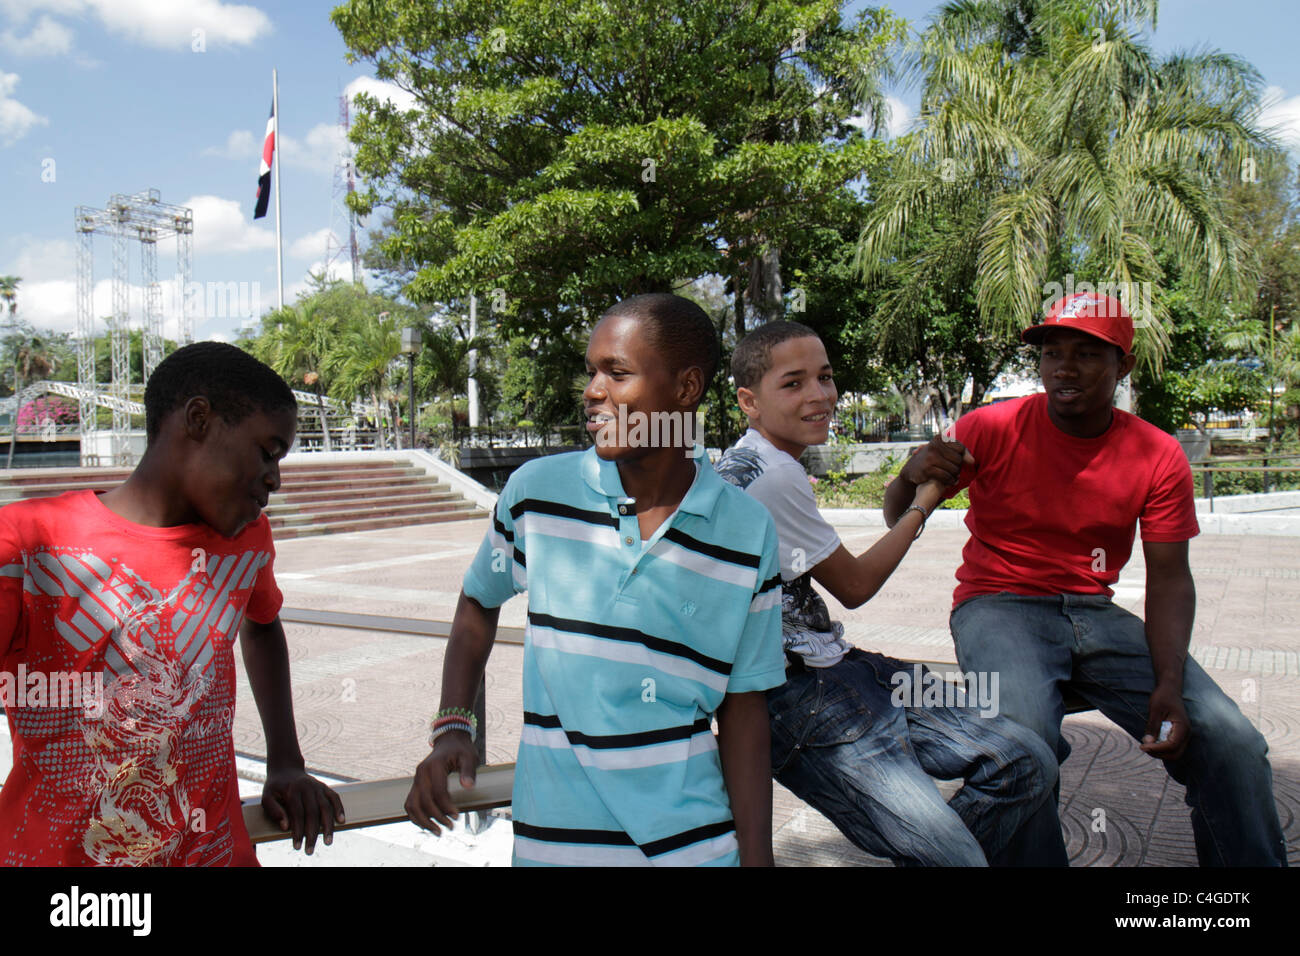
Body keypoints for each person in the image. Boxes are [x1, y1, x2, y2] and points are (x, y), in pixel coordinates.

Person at [885, 292, 1287, 866]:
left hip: (1093, 612)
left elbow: (1171, 578)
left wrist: (1168, 681)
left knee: (1231, 739)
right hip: (998, 603)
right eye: (1052, 353)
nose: (1064, 368)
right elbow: (899, 513)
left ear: (1122, 366)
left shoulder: (1156, 453)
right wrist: (908, 474)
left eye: (1086, 354)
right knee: (1025, 744)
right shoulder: (989, 427)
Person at [405, 293, 785, 866]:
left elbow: (745, 707)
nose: (592, 390)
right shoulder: (537, 495)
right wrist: (454, 725)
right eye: (591, 371)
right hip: (554, 850)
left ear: (686, 389)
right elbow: (478, 601)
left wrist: (758, 861)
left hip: (697, 850)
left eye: (618, 372)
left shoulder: (747, 530)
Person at [716, 321, 1057, 866]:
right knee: (962, 850)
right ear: (748, 401)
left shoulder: (748, 462)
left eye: (824, 378)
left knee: (1026, 760)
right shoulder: (773, 476)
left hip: (844, 667)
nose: (818, 395)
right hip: (800, 700)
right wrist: (925, 499)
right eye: (793, 383)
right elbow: (855, 585)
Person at [0, 342, 344, 865]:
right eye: (267, 451)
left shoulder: (247, 541)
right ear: (199, 419)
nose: (275, 478)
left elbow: (262, 624)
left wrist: (286, 761)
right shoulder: (26, 546)